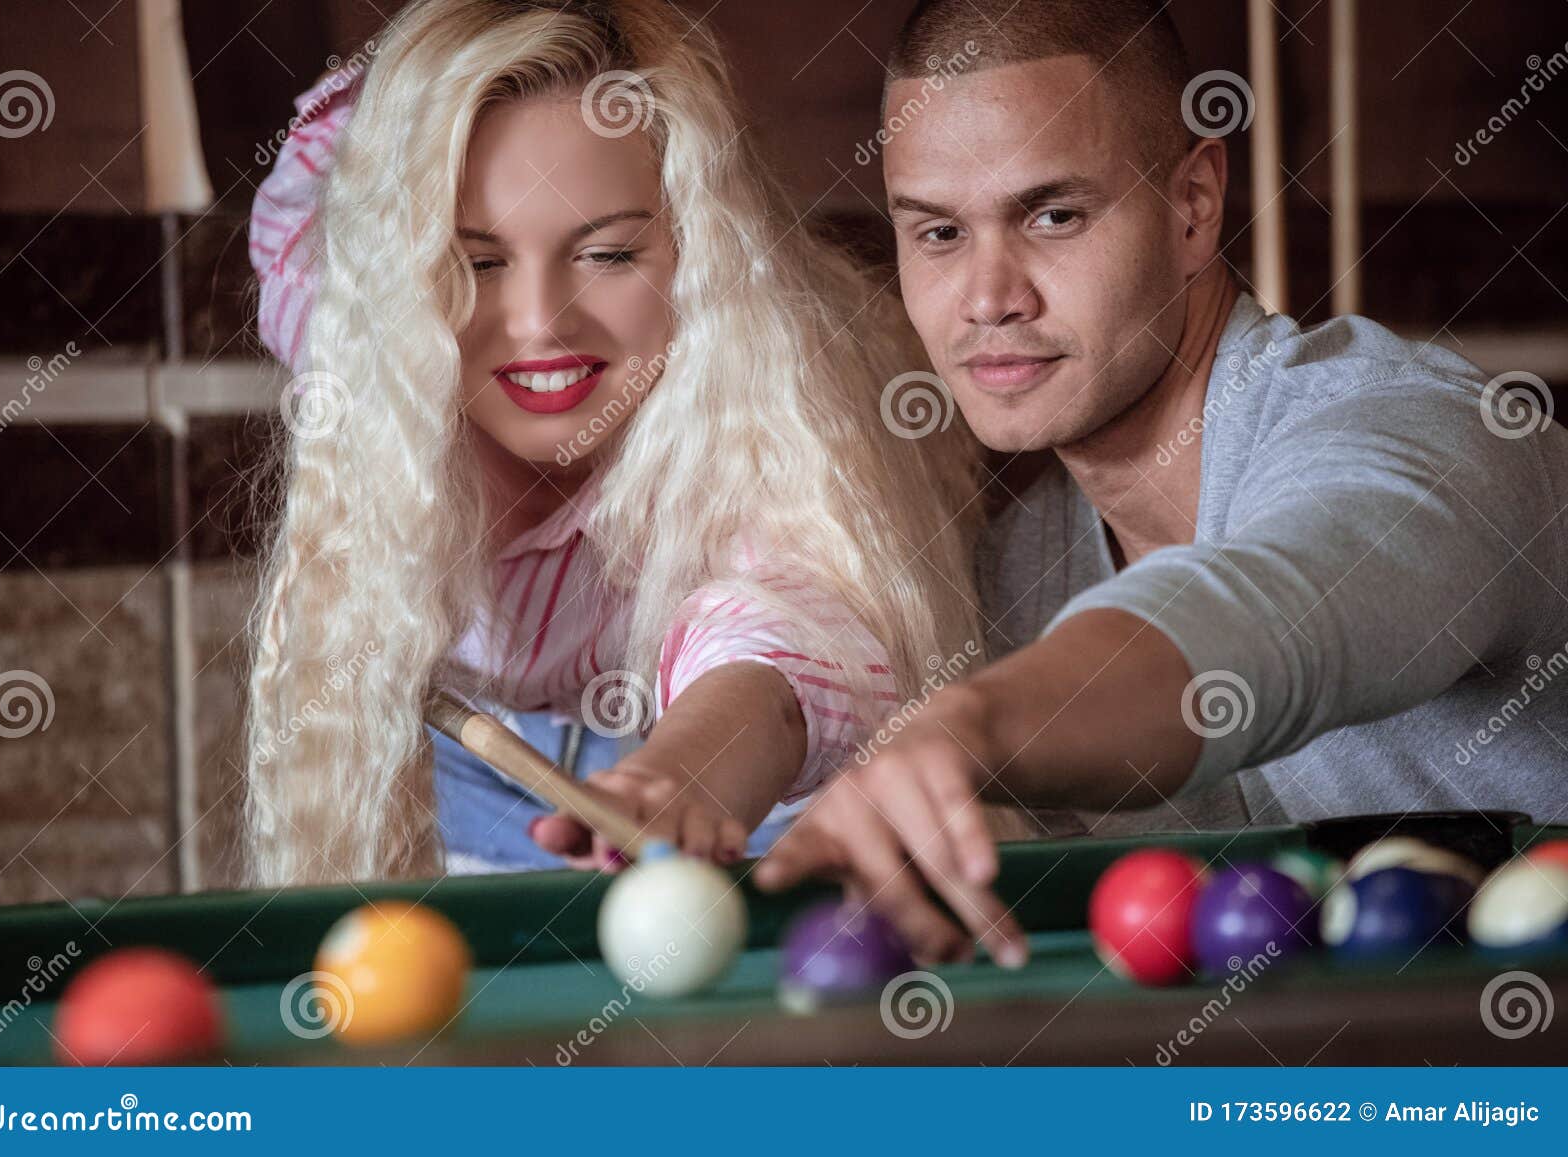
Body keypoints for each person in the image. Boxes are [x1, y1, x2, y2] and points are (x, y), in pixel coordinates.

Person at [756, 0, 1568, 968]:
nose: (986, 297)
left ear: (1191, 206)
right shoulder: (1016, 573)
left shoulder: (1414, 434)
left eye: (1052, 215)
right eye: (937, 234)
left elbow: (1267, 609)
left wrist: (970, 723)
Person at [241, 0, 983, 884]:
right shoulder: (349, 312)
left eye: (608, 255)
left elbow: (785, 636)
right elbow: (314, 190)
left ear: (695, 251)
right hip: (476, 758)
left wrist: (683, 776)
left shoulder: (756, 431)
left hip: (723, 763)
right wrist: (424, 90)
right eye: (477, 261)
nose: (541, 324)